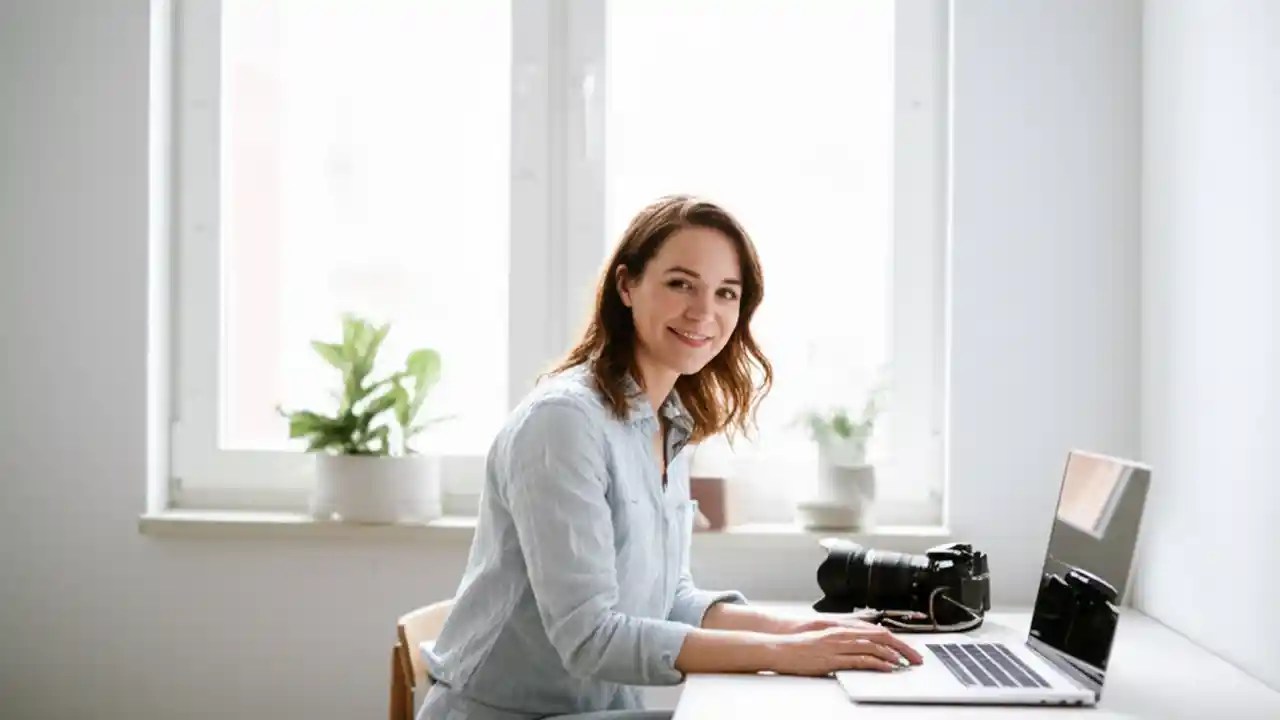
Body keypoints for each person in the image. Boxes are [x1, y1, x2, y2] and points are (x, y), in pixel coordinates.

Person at [418, 196, 923, 720]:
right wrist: (786, 655)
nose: (704, 311)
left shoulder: (667, 422)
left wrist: (801, 631)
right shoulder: (562, 423)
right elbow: (589, 637)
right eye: (681, 283)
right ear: (626, 286)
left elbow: (669, 599)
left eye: (726, 293)